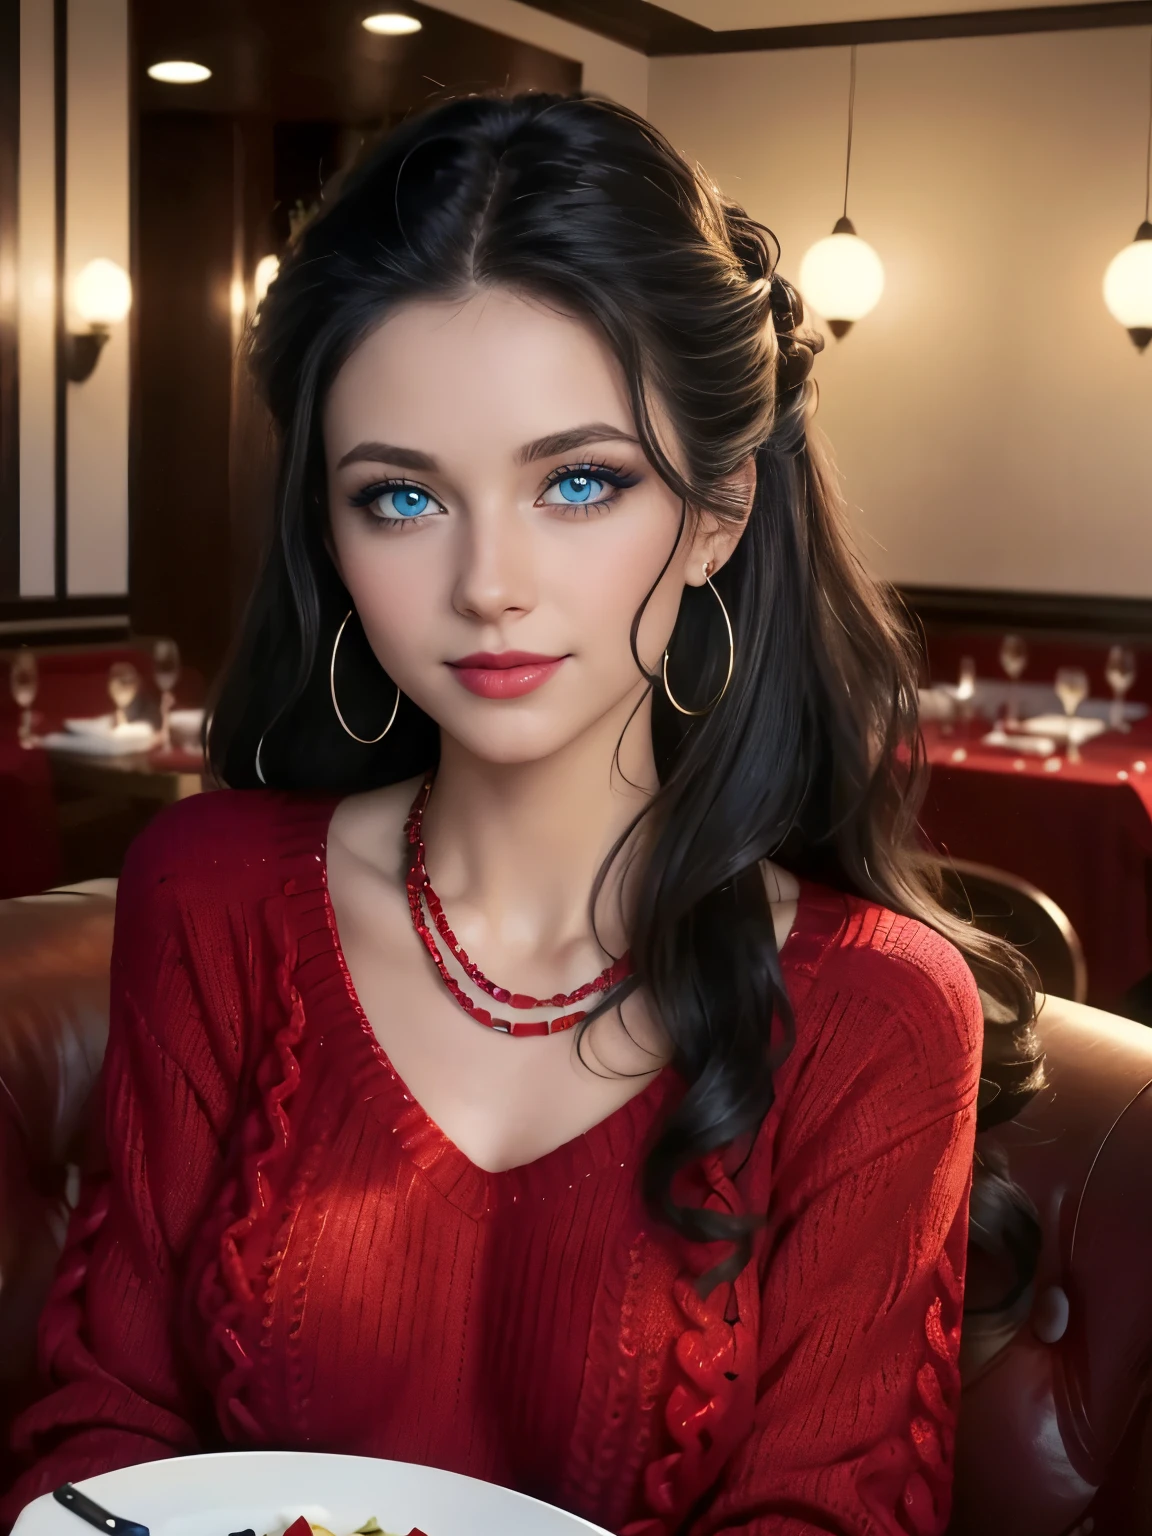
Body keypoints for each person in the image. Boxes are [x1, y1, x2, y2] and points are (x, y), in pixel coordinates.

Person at [1, 92, 1043, 1535]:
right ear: (328, 533)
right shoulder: (209, 894)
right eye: (401, 500)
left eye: (578, 482)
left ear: (720, 511)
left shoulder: (877, 1013)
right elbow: (104, 1437)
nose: (487, 583)